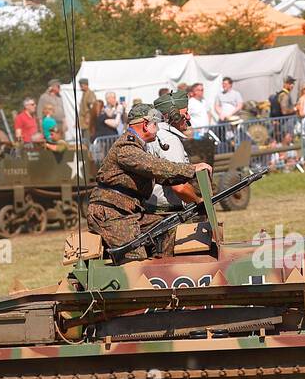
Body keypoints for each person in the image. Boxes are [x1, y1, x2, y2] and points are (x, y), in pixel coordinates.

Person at [85, 102, 211, 262]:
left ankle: (164, 269)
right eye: (155, 124)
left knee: (169, 226)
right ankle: (144, 279)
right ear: (145, 125)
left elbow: (163, 176)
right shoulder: (126, 147)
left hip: (127, 212)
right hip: (111, 214)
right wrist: (192, 169)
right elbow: (156, 167)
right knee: (135, 262)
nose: (158, 129)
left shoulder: (138, 147)